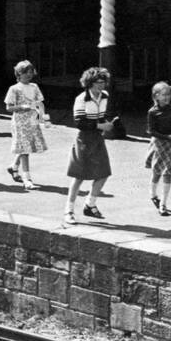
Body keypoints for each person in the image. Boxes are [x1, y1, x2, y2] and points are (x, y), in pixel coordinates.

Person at [63, 67, 115, 226]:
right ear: (89, 83)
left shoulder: (105, 96)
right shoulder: (81, 98)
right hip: (84, 139)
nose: (101, 86)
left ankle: (90, 204)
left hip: (97, 139)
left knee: (104, 173)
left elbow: (104, 114)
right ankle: (69, 210)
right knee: (79, 176)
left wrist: (107, 123)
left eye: (103, 82)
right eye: (98, 83)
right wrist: (101, 126)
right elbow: (79, 122)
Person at [4, 60, 46, 190]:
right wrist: (22, 106)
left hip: (32, 121)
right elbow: (8, 107)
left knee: (26, 146)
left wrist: (41, 119)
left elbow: (40, 104)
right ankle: (27, 179)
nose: (29, 75)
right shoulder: (14, 89)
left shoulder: (34, 87)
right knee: (25, 149)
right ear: (19, 74)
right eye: (25, 72)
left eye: (30, 72)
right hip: (20, 122)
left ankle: (14, 167)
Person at [145, 80, 171, 216]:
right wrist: (167, 137)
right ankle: (153, 194)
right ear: (156, 96)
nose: (167, 97)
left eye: (168, 94)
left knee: (168, 173)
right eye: (163, 95)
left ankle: (163, 203)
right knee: (156, 172)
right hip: (159, 144)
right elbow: (151, 131)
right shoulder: (152, 112)